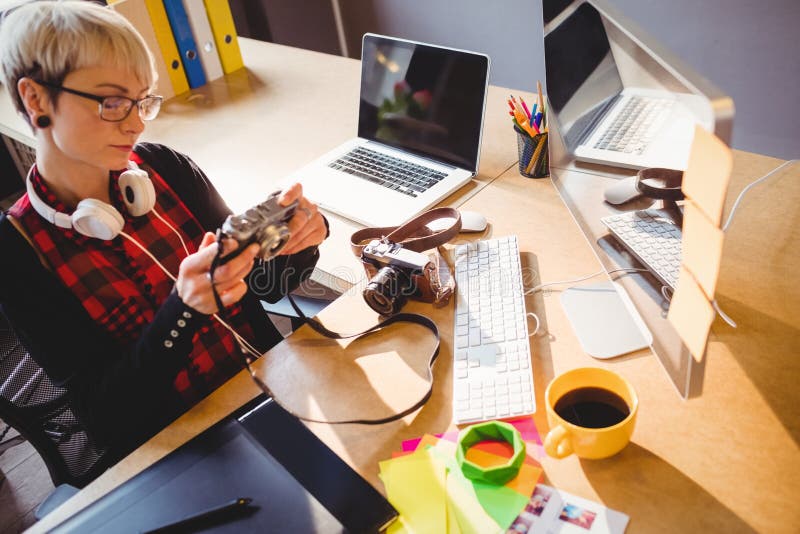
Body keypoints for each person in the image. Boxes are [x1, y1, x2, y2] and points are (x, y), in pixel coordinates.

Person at [0, 0, 328, 475]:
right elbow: (108, 422)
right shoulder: (18, 251)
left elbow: (266, 286)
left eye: (143, 101)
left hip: (267, 392)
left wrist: (299, 239)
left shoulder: (163, 167)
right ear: (35, 100)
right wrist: (185, 311)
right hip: (178, 453)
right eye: (112, 103)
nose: (135, 124)